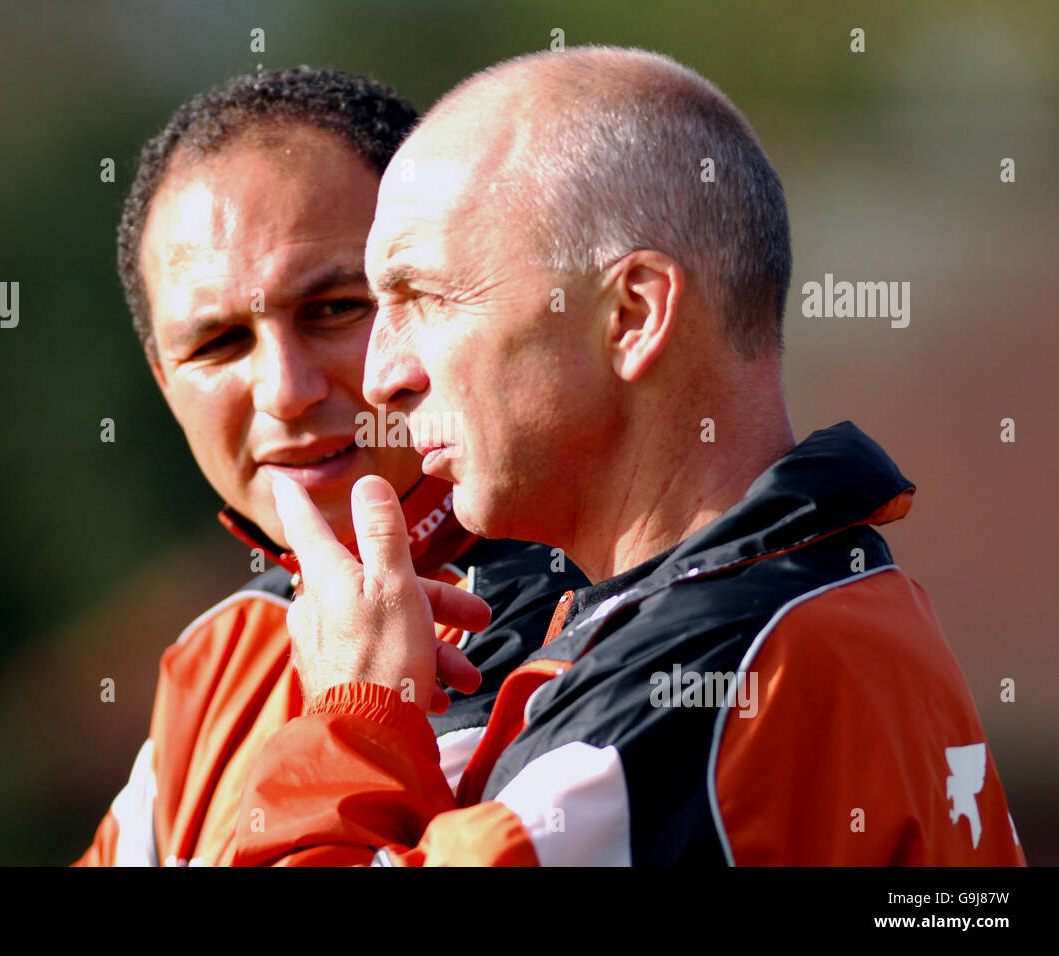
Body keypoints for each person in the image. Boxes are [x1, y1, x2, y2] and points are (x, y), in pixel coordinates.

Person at [222, 47, 1027, 866]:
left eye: (424, 298)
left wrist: (355, 711)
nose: (382, 376)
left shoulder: (698, 698)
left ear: (633, 316)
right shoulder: (846, 606)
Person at [72, 67, 583, 866]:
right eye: (218, 343)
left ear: (439, 296)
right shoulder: (220, 650)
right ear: (164, 383)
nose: (286, 391)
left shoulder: (597, 624)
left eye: (336, 308)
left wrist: (361, 713)